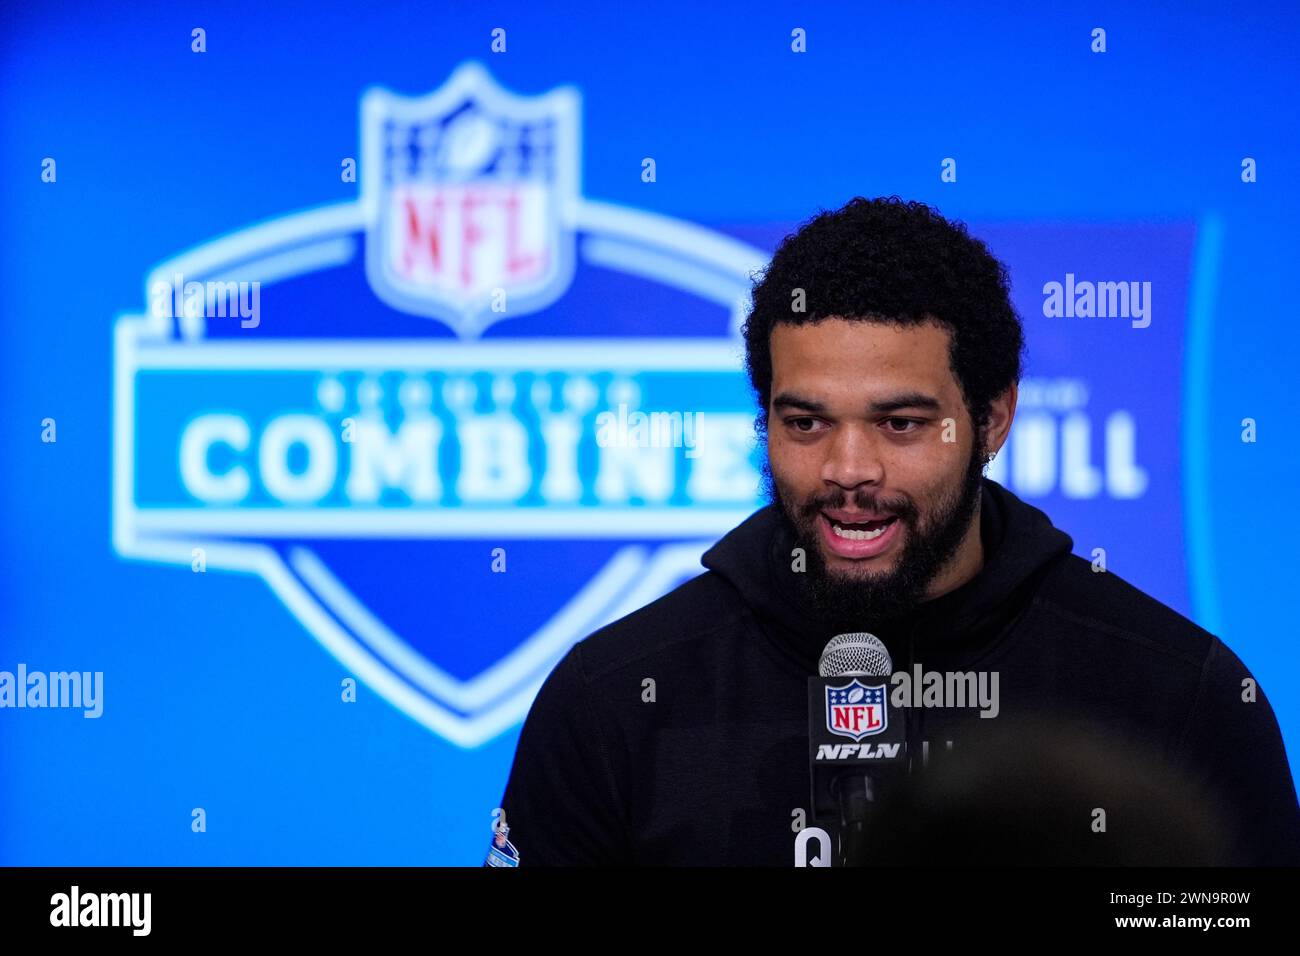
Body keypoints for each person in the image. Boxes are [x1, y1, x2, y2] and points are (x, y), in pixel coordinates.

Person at [489, 196, 1300, 866]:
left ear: (993, 418)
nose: (848, 470)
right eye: (806, 423)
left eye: (901, 424)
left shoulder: (1176, 699)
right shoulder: (614, 701)